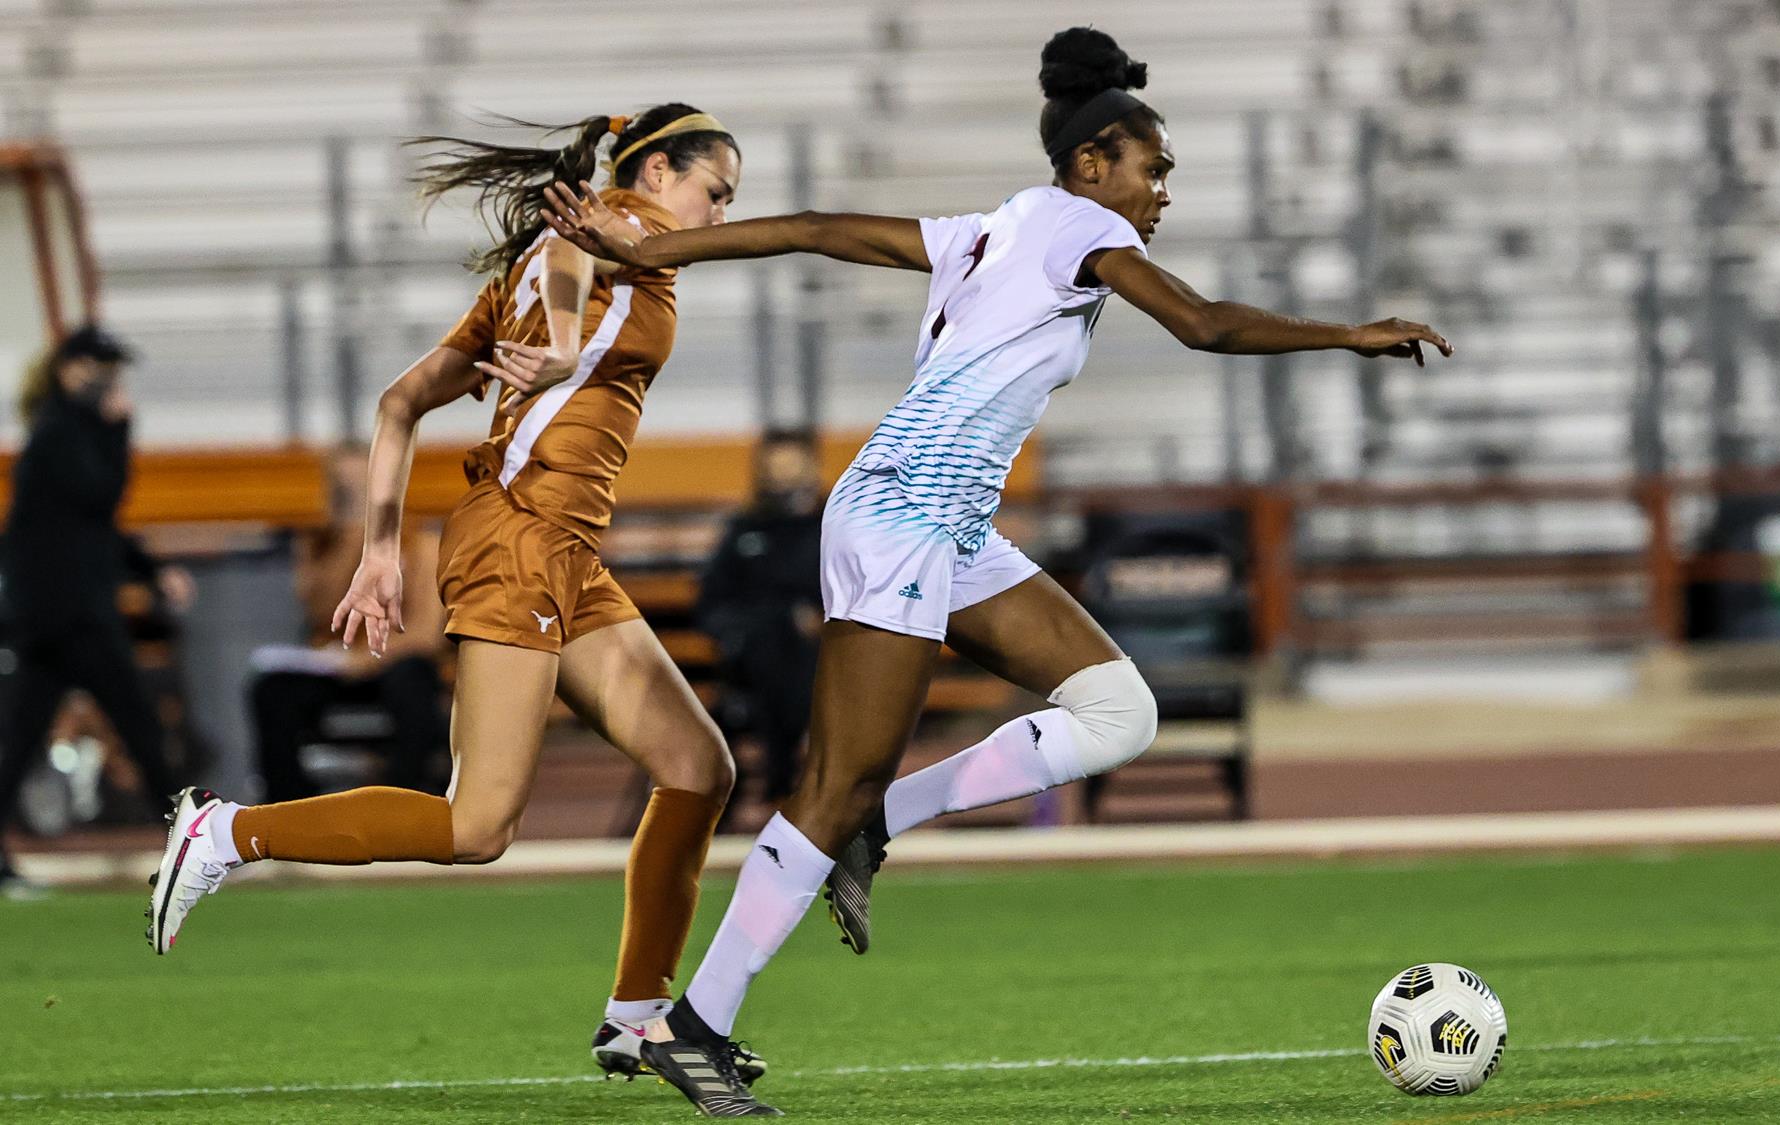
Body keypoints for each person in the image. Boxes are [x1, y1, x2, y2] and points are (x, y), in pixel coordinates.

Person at [542, 27, 1450, 1115]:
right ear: (1089, 162)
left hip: (948, 524)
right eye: (1150, 166)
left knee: (1116, 711)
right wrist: (1346, 335)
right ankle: (697, 1025)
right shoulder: (1077, 228)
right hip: (903, 519)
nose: (1161, 189)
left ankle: (881, 827)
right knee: (829, 786)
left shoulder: (996, 227)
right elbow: (1201, 325)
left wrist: (657, 253)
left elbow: (822, 230)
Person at [142, 104, 768, 1084]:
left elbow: (400, 403)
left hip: (561, 552)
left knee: (695, 767)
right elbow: (577, 257)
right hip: (523, 541)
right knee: (476, 826)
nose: (723, 212)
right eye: (714, 189)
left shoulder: (568, 250)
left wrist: (380, 551)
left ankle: (638, 1014)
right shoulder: (621, 231)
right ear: (653, 174)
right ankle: (223, 833)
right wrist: (564, 342)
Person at [0, 326, 195, 899]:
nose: (111, 381)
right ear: (70, 369)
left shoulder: (64, 431)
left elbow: (96, 529)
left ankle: (190, 842)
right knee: (136, 721)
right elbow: (104, 495)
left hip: (55, 612)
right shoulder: (62, 432)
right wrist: (120, 427)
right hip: (69, 613)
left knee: (23, 737)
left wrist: (151, 571)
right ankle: (192, 845)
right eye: (101, 368)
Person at [246, 445, 449, 802]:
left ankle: (400, 795)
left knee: (414, 683)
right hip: (337, 664)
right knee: (273, 690)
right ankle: (287, 801)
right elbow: (321, 612)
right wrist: (356, 534)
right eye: (344, 489)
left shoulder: (423, 545)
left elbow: (426, 634)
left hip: (396, 662)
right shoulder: (318, 544)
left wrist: (371, 660)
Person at [696, 429, 823, 815]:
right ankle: (782, 780)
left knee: (796, 643)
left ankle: (785, 780)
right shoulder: (744, 531)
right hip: (753, 663)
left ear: (812, 467)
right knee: (776, 635)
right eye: (775, 465)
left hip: (823, 661)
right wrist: (751, 629)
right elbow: (712, 603)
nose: (783, 475)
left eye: (792, 465)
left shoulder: (834, 526)